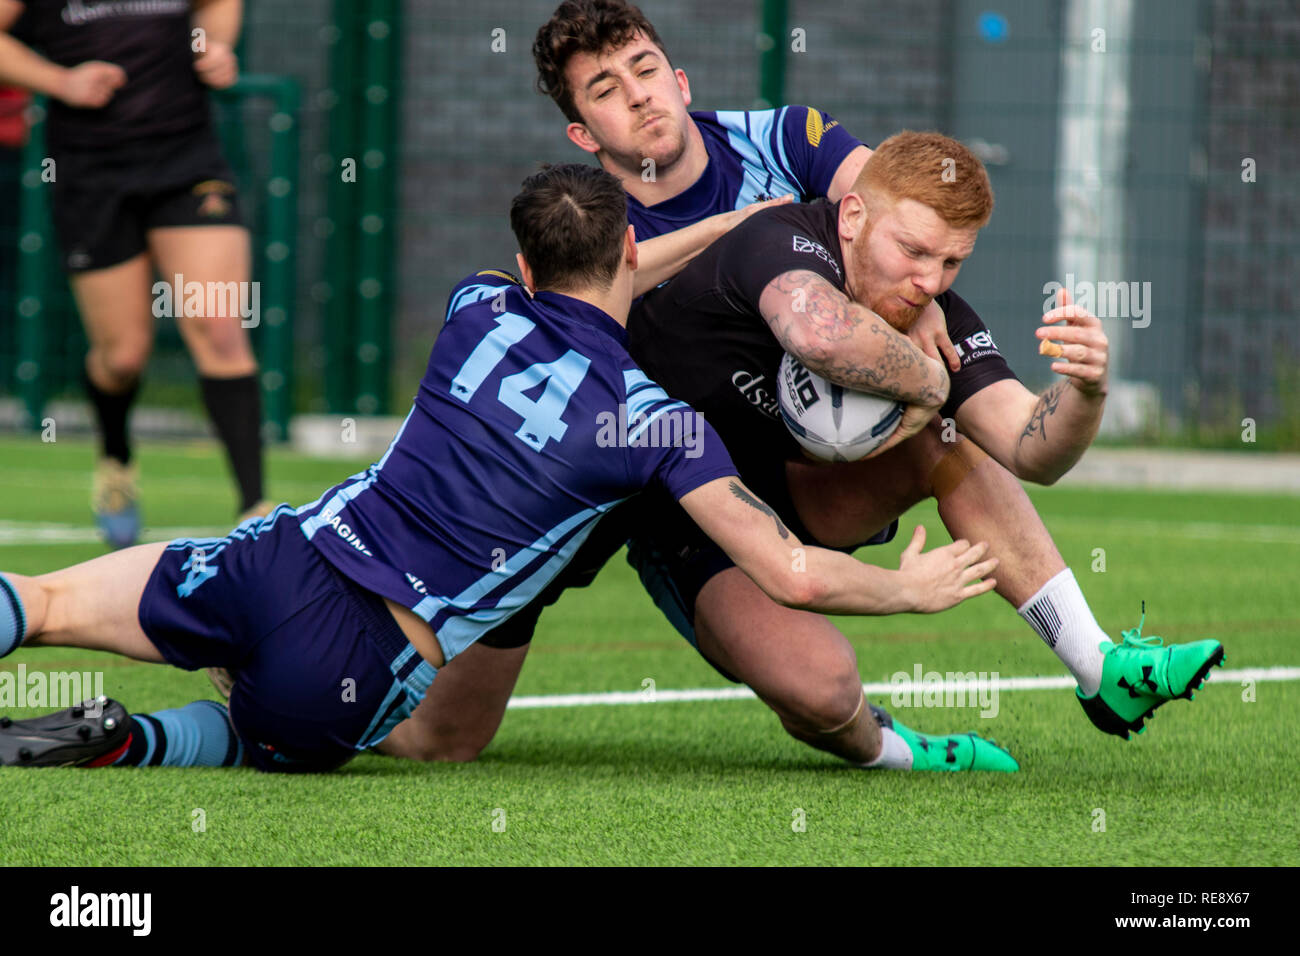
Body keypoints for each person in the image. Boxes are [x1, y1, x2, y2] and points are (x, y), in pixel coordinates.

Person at [379, 0, 1223, 766]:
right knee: (444, 742)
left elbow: (890, 211)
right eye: (604, 90)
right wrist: (730, 233)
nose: (638, 97)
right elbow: (570, 308)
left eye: (644, 70)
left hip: (798, 471)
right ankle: (295, 639)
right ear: (582, 134)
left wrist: (931, 307)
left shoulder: (781, 142)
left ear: (678, 77)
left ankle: (1092, 663)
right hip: (642, 484)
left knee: (941, 447)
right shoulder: (592, 222)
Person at [0, 162, 1014, 774]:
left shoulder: (473, 304)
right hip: (356, 662)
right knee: (250, 729)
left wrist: (703, 234)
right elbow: (790, 570)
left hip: (285, 557)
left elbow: (580, 269)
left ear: (525, 266)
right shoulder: (654, 421)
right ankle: (130, 737)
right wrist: (908, 589)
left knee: (42, 600)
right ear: (628, 253)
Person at [0, 0, 269, 547]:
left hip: (187, 162)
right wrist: (59, 80)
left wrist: (211, 47)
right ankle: (116, 458)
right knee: (121, 358)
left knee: (219, 325)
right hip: (90, 169)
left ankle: (253, 508)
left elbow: (217, 7)